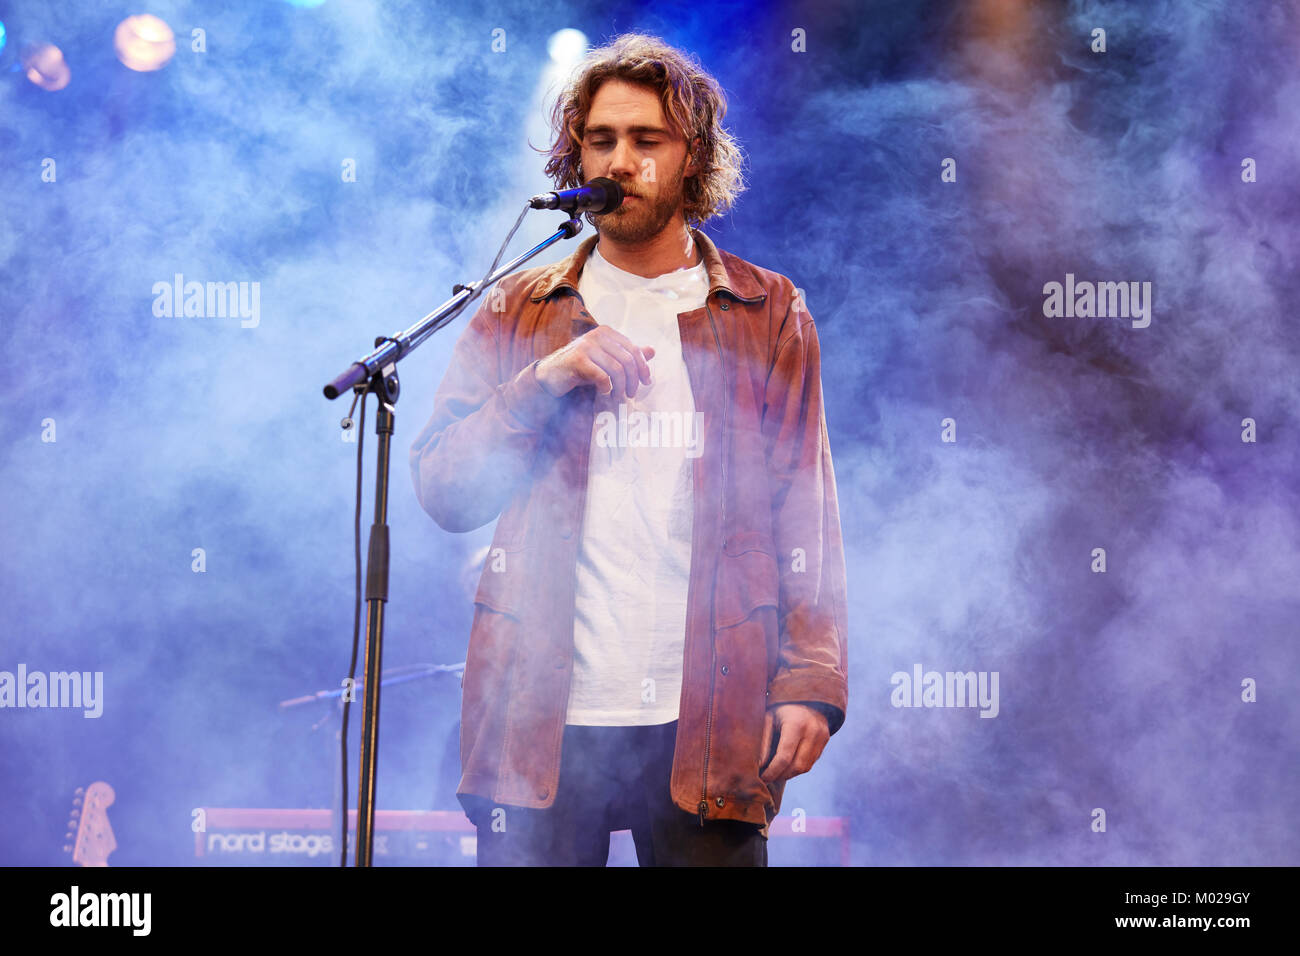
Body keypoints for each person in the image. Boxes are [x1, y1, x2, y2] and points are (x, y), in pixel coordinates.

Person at [409, 33, 848, 866]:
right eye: (601, 140)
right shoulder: (520, 309)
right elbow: (445, 490)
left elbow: (806, 509)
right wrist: (541, 382)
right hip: (539, 717)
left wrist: (810, 684)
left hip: (709, 718)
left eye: (648, 141)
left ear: (693, 159)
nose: (621, 161)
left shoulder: (766, 310)